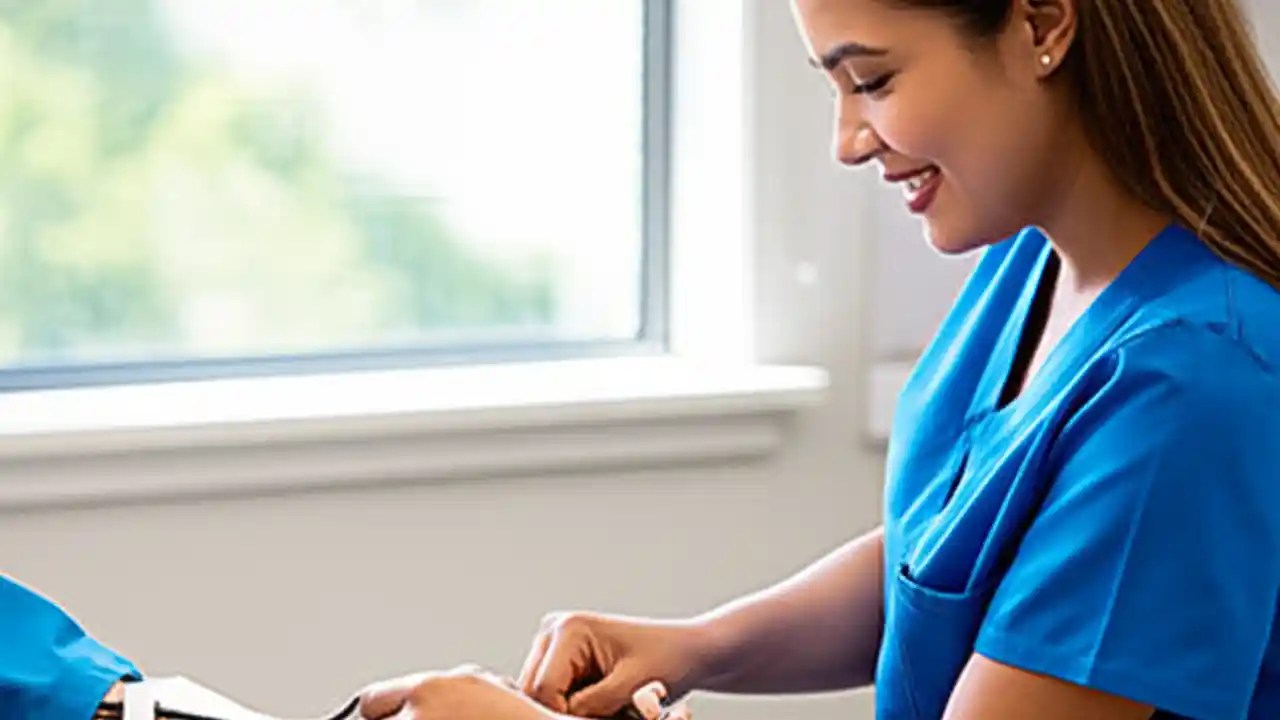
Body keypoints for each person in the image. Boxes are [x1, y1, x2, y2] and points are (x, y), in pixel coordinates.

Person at [361, 0, 1280, 719]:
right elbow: (952, 559)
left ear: (1042, 25)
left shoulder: (1191, 381)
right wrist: (696, 647)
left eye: (872, 81)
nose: (845, 140)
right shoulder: (1031, 258)